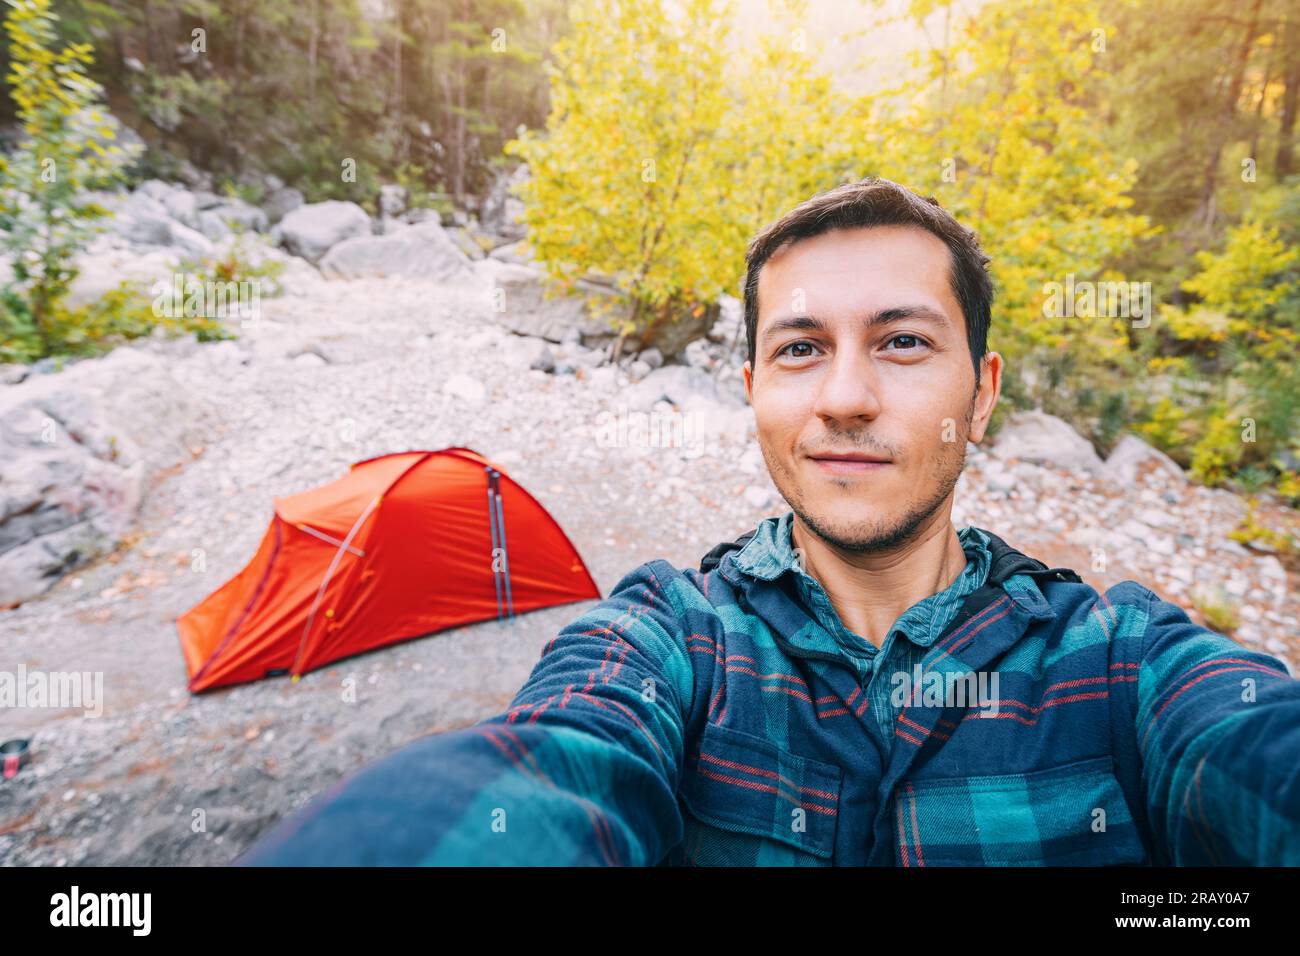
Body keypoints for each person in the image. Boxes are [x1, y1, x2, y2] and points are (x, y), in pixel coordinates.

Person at [238, 177, 1300, 866]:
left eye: (900, 342)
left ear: (980, 393)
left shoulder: (1115, 658)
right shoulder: (674, 636)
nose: (842, 395)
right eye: (799, 349)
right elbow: (554, 763)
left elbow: (1247, 744)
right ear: (750, 389)